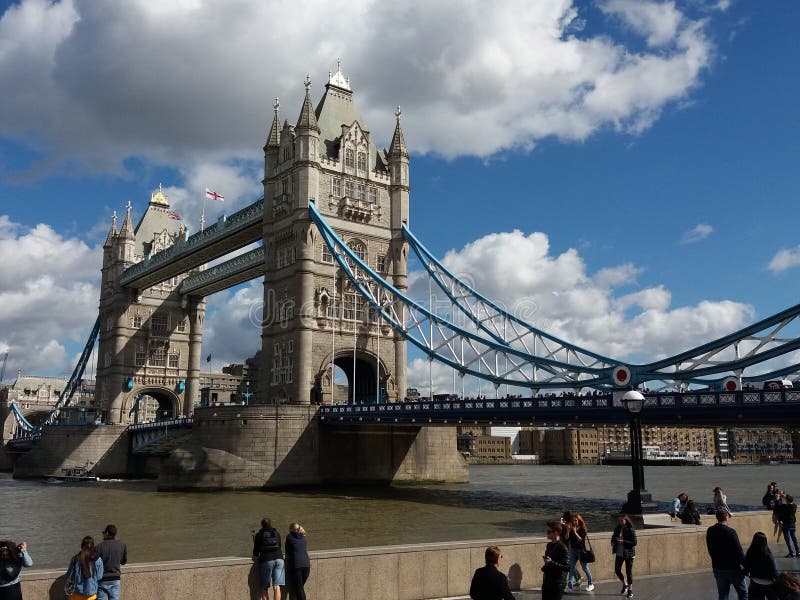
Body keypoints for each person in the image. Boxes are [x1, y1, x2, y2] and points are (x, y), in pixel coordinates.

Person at [706, 508, 747, 600]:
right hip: (733, 568)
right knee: (743, 593)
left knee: (723, 595)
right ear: (726, 517)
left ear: (717, 517)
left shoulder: (710, 530)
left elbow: (710, 549)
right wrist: (746, 567)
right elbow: (739, 552)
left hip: (718, 568)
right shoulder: (731, 532)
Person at [253, 518, 284, 600]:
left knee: (264, 587)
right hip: (279, 559)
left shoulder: (259, 535)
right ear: (271, 524)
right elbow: (280, 546)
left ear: (262, 525)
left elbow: (255, 552)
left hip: (266, 560)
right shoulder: (276, 533)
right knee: (277, 586)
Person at [65, 536, 104, 600]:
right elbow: (99, 576)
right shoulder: (98, 560)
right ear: (93, 546)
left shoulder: (75, 559)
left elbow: (69, 575)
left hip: (76, 594)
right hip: (91, 594)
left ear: (81, 546)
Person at [95, 524, 127, 600]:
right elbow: (123, 562)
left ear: (107, 533)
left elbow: (94, 563)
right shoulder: (122, 545)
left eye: (103, 533)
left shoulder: (99, 547)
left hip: (102, 579)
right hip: (115, 579)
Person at [564, 514, 594, 592]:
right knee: (571, 567)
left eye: (576, 520)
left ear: (579, 520)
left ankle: (591, 584)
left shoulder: (582, 529)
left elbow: (581, 540)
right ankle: (570, 586)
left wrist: (575, 532)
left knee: (585, 568)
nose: (575, 522)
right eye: (573, 520)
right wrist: (568, 530)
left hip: (581, 551)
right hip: (573, 550)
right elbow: (566, 538)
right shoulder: (571, 529)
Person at [744, 531, 778, 600]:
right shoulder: (768, 555)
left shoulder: (750, 552)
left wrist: (746, 573)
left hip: (755, 582)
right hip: (769, 583)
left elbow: (746, 568)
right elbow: (774, 572)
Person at [541, 521, 569, 600]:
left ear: (556, 533)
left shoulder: (563, 548)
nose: (547, 533)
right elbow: (549, 563)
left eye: (549, 532)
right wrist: (545, 566)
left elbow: (567, 567)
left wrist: (551, 563)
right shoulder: (549, 545)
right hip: (547, 581)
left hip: (557, 583)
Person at [611, 514, 637, 598]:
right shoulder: (618, 528)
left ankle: (630, 590)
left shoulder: (630, 529)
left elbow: (634, 543)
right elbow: (613, 537)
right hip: (619, 553)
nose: (620, 522)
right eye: (619, 520)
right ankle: (624, 584)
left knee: (628, 572)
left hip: (628, 553)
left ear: (626, 520)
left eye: (622, 520)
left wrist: (623, 542)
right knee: (617, 570)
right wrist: (612, 542)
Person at [284, 523, 310, 600]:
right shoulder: (304, 537)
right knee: (298, 588)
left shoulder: (289, 537)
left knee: (299, 589)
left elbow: (287, 551)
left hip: (297, 565)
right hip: (306, 565)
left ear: (291, 529)